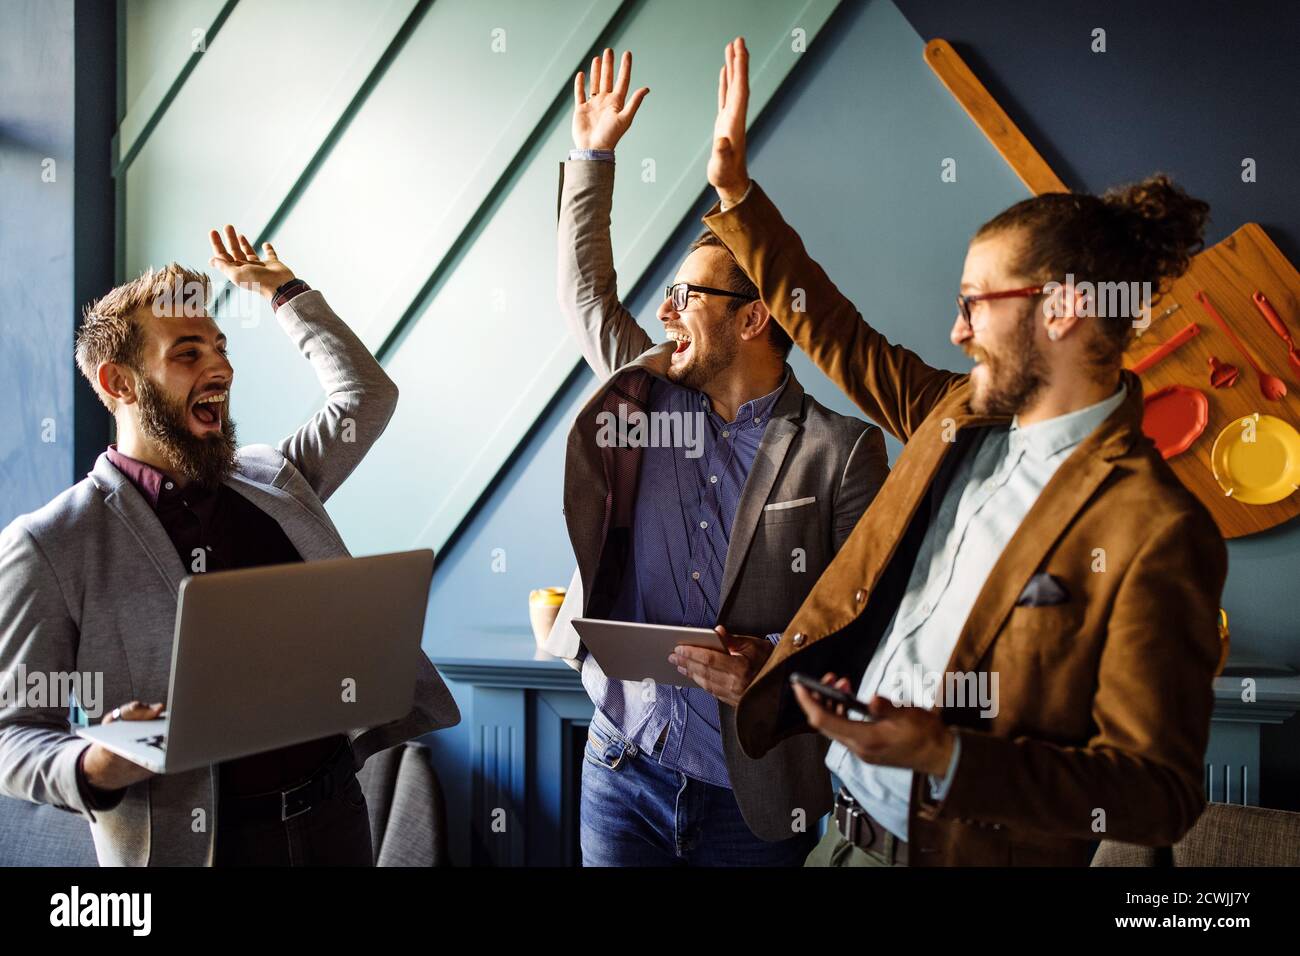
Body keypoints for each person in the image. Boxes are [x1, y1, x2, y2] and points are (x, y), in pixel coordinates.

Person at [703, 37, 1226, 866]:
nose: (956, 331)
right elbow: (835, 332)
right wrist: (737, 194)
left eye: (975, 304)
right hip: (839, 835)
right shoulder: (955, 413)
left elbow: (1157, 794)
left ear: (1062, 310)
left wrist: (947, 758)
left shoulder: (1156, 527)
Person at [0, 228, 458, 866]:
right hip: (202, 849)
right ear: (120, 383)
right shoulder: (52, 544)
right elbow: (12, 738)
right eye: (188, 353)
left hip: (335, 814)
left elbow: (366, 398)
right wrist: (97, 762)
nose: (221, 368)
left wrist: (284, 293)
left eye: (220, 347)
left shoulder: (274, 477)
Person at [546, 48, 889, 866]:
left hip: (752, 796)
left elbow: (868, 624)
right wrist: (593, 155)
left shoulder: (842, 453)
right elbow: (584, 295)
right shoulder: (648, 396)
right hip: (620, 766)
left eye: (688, 296)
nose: (666, 312)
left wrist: (776, 669)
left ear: (753, 319)